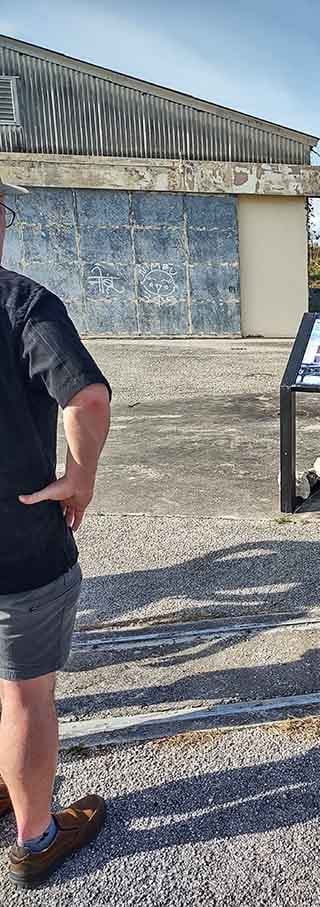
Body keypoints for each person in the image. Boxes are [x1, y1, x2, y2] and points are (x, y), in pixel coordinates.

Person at [0, 175, 111, 889]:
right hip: (17, 548)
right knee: (25, 697)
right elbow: (86, 396)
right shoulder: (22, 302)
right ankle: (36, 834)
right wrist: (80, 477)